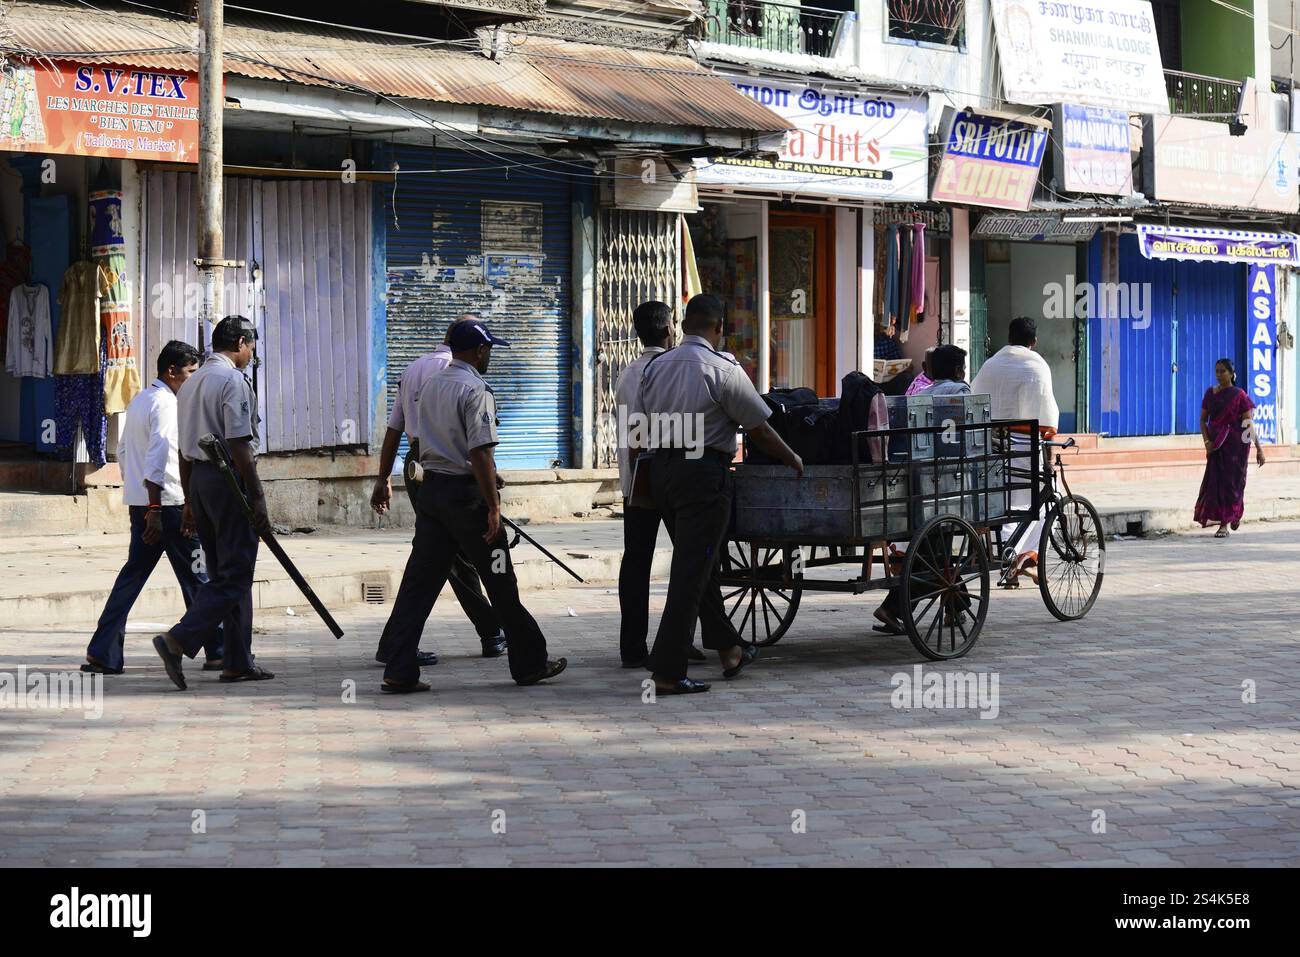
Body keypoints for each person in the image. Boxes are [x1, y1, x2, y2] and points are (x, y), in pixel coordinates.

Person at [377, 318, 565, 693]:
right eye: (488, 349)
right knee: (500, 580)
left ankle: (398, 668)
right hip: (467, 500)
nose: (489, 355)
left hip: (431, 494)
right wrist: (493, 508)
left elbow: (413, 436)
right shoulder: (475, 389)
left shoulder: (430, 386)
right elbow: (479, 452)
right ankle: (529, 663)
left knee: (420, 583)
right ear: (478, 351)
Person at [632, 294, 802, 695]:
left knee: (698, 565)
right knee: (690, 574)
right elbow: (758, 427)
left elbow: (637, 429)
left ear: (684, 324)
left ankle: (729, 648)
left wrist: (646, 476)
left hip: (663, 473)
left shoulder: (655, 367)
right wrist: (791, 457)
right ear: (720, 327)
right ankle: (667, 672)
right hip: (702, 478)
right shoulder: (722, 368)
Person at [370, 319, 507, 664]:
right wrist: (490, 489)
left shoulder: (414, 371)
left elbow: (394, 430)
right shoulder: (461, 378)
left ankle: (396, 647)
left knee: (433, 561)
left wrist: (383, 476)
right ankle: (495, 632)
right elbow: (474, 446)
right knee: (470, 561)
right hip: (455, 470)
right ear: (474, 349)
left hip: (422, 465)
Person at [83, 340, 223, 674]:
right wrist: (157, 508)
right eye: (190, 372)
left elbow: (125, 452)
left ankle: (104, 651)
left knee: (133, 577)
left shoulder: (141, 399)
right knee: (199, 578)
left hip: (145, 504)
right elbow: (159, 456)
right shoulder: (166, 404)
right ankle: (217, 649)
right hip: (169, 506)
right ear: (172, 371)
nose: (194, 379)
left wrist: (144, 502)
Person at [152, 316, 272, 690]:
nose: (252, 353)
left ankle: (237, 661)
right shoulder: (230, 381)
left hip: (200, 482)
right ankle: (179, 639)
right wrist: (258, 497)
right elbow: (239, 445)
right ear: (240, 343)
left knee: (225, 574)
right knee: (235, 575)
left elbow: (185, 453)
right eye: (251, 346)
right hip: (226, 481)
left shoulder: (192, 383)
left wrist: (190, 500)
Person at [614, 301, 705, 668]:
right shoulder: (673, 369)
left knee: (636, 561)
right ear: (669, 331)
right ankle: (679, 640)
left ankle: (633, 645)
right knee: (690, 560)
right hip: (670, 476)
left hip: (635, 482)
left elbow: (630, 431)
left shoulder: (627, 374)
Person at [970, 317, 1059, 583]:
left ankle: (1017, 560)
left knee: (1007, 503)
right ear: (1034, 341)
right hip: (1022, 446)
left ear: (1009, 337)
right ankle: (1017, 558)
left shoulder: (990, 365)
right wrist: (1050, 456)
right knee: (1033, 502)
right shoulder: (1036, 366)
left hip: (988, 445)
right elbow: (1046, 417)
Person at [1195, 358, 1265, 538]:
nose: (1219, 375)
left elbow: (1248, 422)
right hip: (1216, 446)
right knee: (1216, 484)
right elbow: (1203, 420)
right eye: (1216, 371)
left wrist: (1259, 448)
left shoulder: (1239, 395)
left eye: (1223, 371)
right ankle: (1224, 522)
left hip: (1236, 448)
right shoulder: (1210, 393)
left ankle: (1230, 517)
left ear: (1232, 374)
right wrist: (1207, 442)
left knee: (1233, 484)